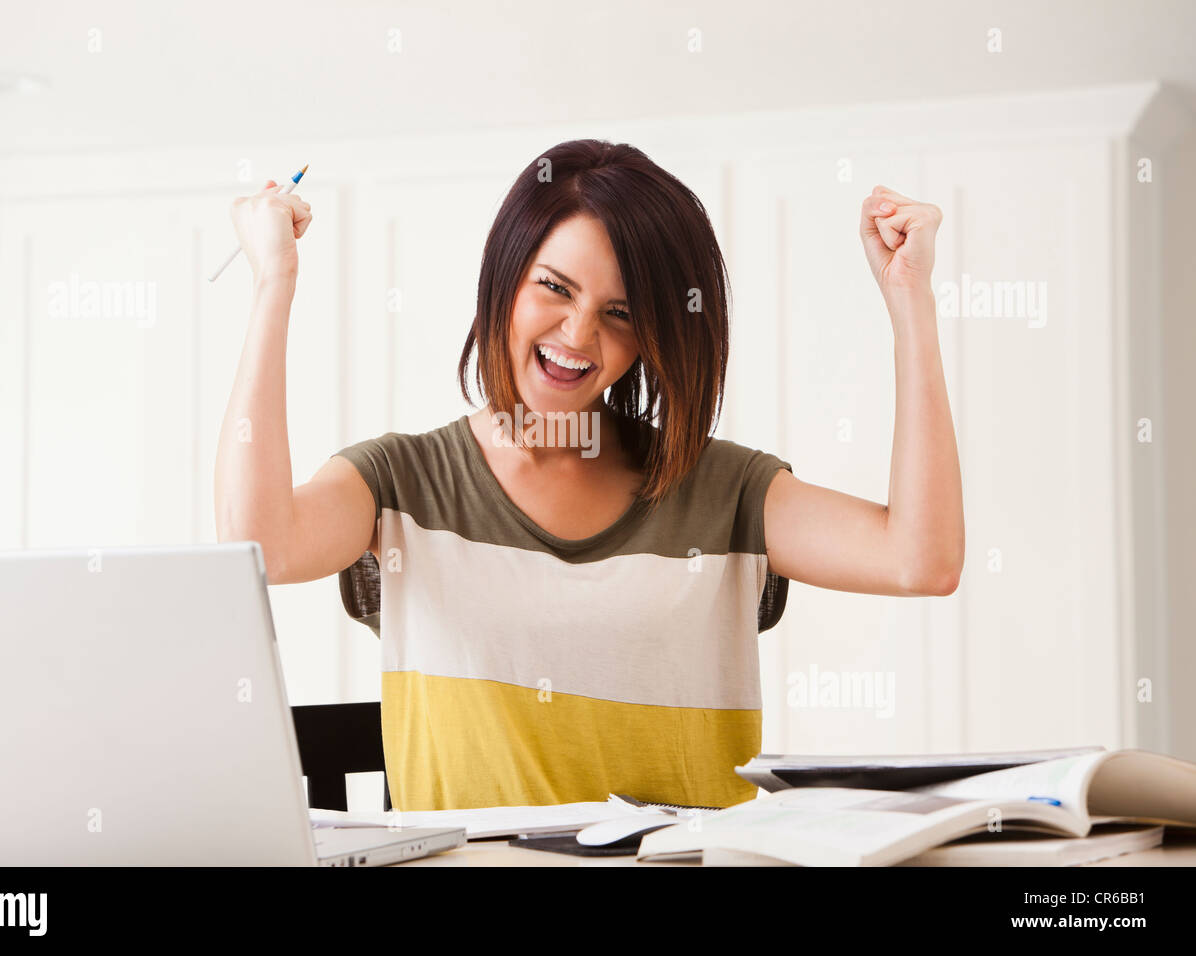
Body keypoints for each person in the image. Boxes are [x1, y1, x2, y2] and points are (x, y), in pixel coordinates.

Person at [214, 139, 963, 811]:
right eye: (555, 287)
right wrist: (274, 280)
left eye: (620, 312)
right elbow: (260, 545)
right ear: (505, 278)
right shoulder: (403, 484)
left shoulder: (722, 491)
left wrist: (910, 303)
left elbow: (920, 559)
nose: (578, 337)